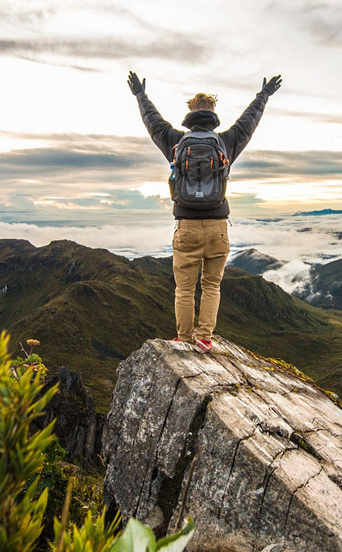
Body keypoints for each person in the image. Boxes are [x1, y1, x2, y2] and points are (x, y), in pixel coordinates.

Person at [127, 71, 282, 354]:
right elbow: (249, 123)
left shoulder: (175, 141)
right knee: (211, 285)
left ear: (189, 114)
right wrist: (263, 95)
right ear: (213, 115)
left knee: (184, 289)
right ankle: (204, 338)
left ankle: (184, 339)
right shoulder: (226, 142)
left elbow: (153, 122)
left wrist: (140, 95)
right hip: (217, 227)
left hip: (186, 226)